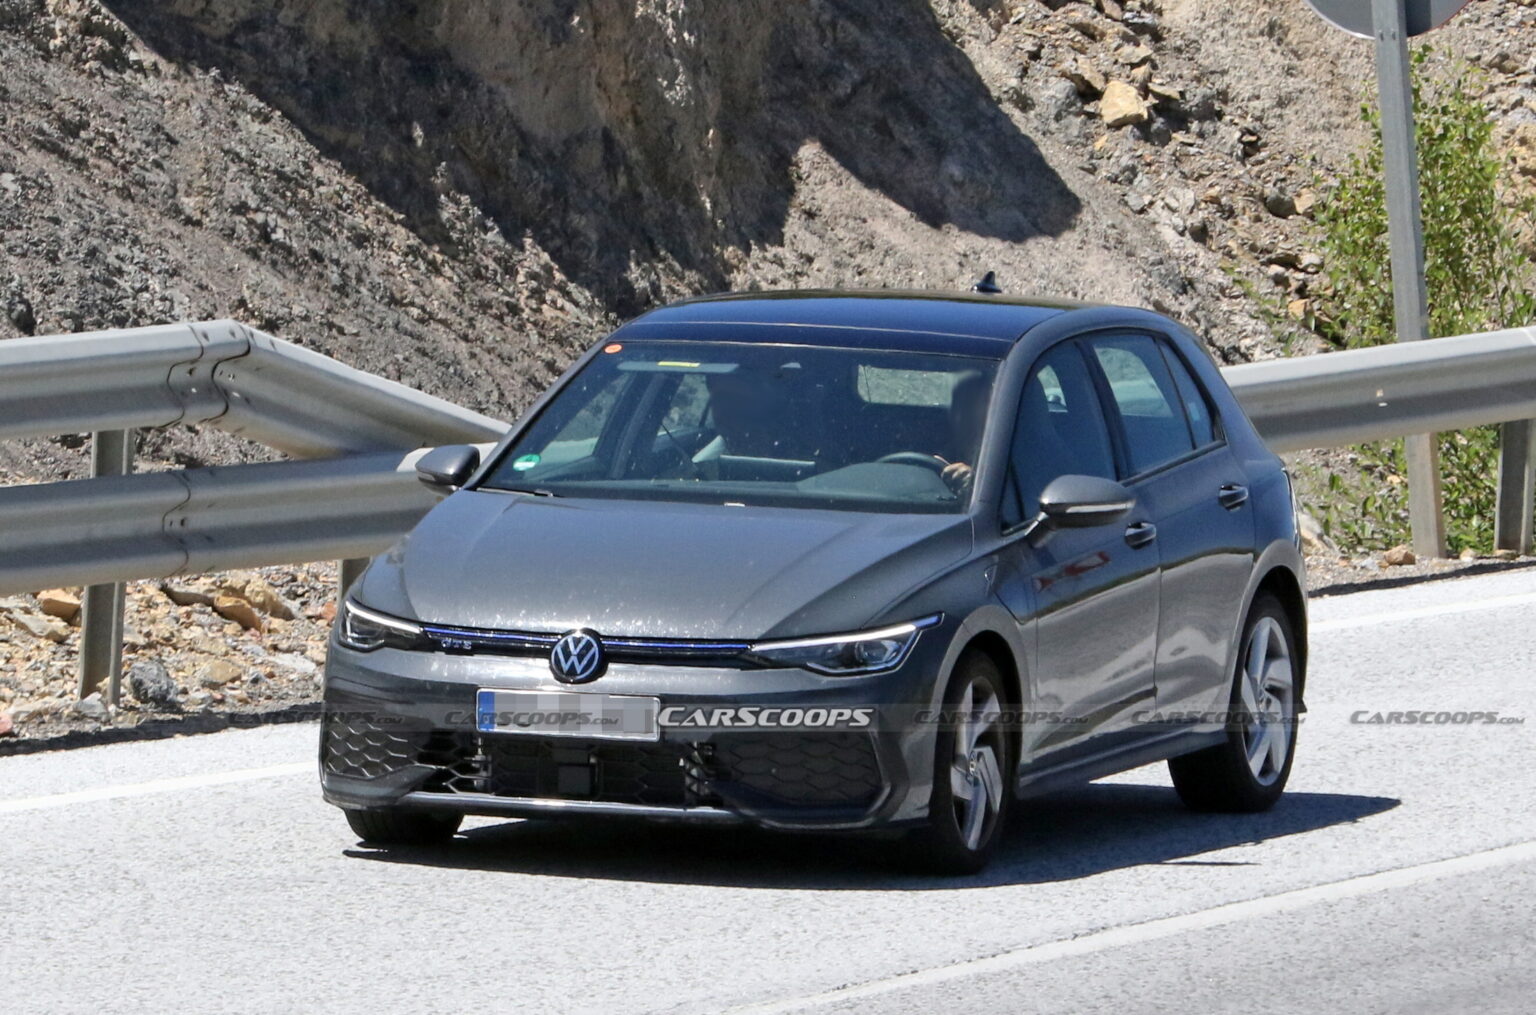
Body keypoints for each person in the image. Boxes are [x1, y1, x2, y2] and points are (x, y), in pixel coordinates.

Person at [933, 371, 990, 497]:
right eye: (961, 408)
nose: (965, 419)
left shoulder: (1010, 470)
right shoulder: (936, 460)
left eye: (972, 409)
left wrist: (975, 485)